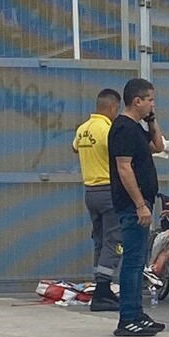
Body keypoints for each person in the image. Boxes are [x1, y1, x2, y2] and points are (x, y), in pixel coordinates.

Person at [108, 78, 167, 337]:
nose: (152, 104)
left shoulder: (137, 128)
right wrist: (140, 204)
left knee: (138, 260)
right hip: (133, 205)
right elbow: (124, 167)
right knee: (132, 262)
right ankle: (127, 318)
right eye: (150, 100)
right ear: (137, 101)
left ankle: (137, 312)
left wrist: (152, 120)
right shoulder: (123, 128)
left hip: (143, 202)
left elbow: (158, 146)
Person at [73, 87, 122, 311]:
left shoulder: (83, 129)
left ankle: (99, 286)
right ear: (112, 107)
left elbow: (75, 149)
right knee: (114, 240)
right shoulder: (108, 129)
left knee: (100, 241)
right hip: (108, 190)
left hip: (90, 191)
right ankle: (104, 290)